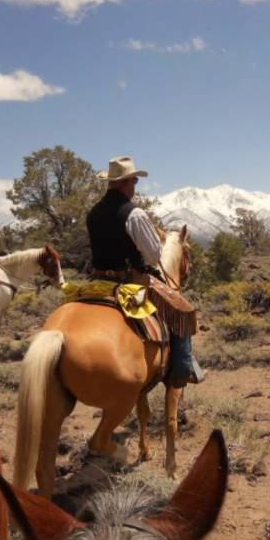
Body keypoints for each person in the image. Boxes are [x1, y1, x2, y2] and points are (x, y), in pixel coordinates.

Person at [86, 155, 205, 387]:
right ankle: (183, 370)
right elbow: (154, 256)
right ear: (126, 182)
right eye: (134, 182)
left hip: (97, 282)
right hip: (130, 283)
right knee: (182, 312)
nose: (135, 187)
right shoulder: (134, 214)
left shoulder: (93, 214)